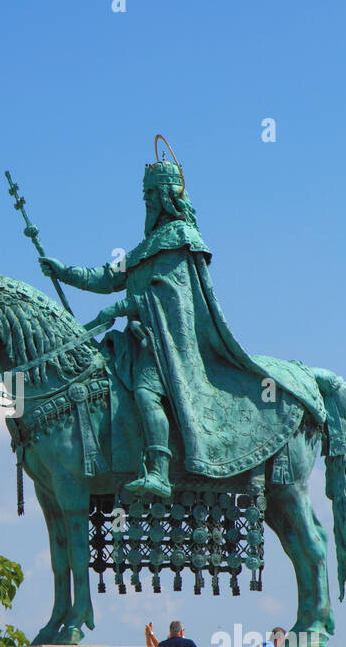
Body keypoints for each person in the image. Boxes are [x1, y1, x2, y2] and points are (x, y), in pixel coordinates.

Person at [39, 152, 324, 500]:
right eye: (144, 197)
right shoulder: (149, 244)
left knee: (146, 393)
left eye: (149, 196)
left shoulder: (180, 238)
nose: (145, 203)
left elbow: (167, 299)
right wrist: (63, 271)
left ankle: (159, 470)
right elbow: (108, 276)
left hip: (169, 345)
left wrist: (119, 307)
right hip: (138, 340)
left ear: (165, 197)